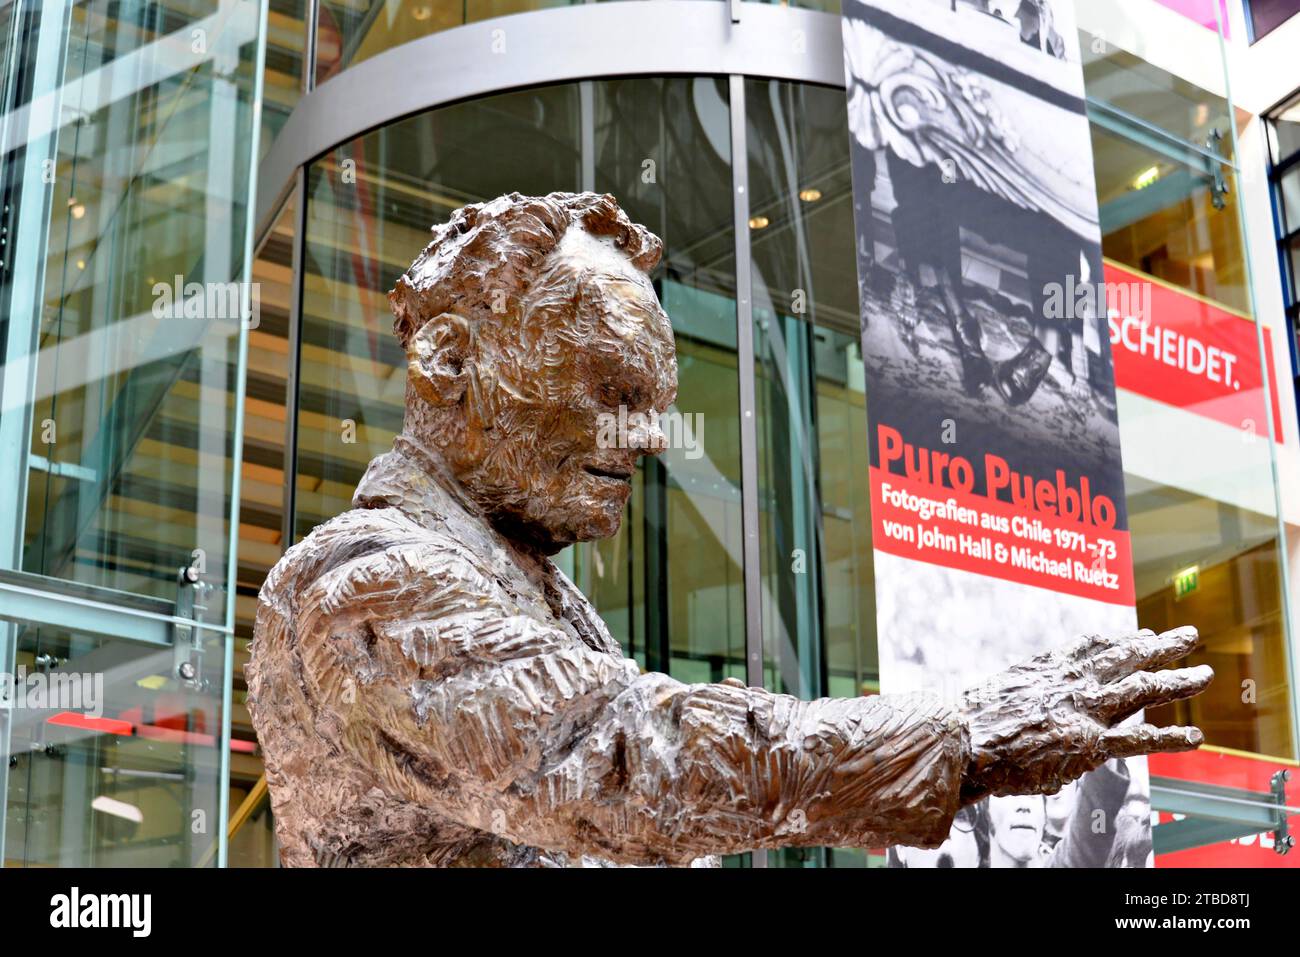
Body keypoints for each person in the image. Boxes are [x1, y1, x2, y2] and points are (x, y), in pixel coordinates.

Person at [246, 191, 1212, 867]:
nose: (653, 434)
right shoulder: (364, 581)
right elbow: (617, 754)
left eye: (656, 401)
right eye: (614, 391)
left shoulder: (529, 588)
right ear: (452, 361)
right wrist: (952, 738)